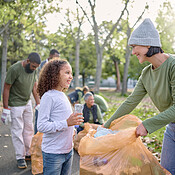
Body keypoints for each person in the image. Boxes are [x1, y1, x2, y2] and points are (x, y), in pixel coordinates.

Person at [104, 18, 175, 175]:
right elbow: (130, 102)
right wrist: (106, 126)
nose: (133, 51)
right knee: (167, 171)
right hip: (172, 128)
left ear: (148, 44)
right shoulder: (146, 74)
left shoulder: (173, 66)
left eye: (134, 46)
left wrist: (147, 124)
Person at [37, 58, 84, 175]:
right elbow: (41, 126)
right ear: (54, 75)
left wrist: (72, 128)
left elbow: (62, 119)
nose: (71, 76)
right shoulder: (48, 97)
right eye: (67, 73)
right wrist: (66, 123)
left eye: (71, 73)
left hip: (68, 151)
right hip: (53, 153)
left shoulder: (63, 95)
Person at [1, 52, 41, 169]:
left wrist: (38, 103)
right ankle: (20, 157)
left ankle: (28, 153)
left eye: (36, 67)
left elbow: (34, 86)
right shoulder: (15, 69)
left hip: (27, 101)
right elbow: (6, 88)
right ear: (28, 61)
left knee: (29, 128)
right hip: (15, 104)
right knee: (17, 130)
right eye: (33, 66)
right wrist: (6, 108)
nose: (34, 69)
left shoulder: (34, 70)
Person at [34, 49, 60, 134]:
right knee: (40, 116)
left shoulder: (57, 66)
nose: (57, 58)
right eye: (56, 56)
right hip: (41, 93)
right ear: (50, 55)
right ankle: (36, 136)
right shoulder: (41, 65)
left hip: (52, 94)